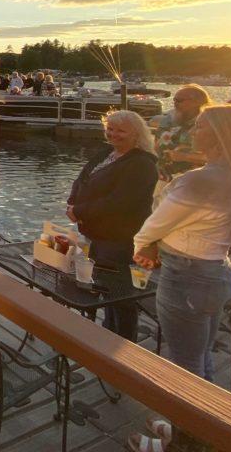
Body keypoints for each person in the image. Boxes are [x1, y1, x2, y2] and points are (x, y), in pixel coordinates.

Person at [128, 104, 231, 451]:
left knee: (184, 369)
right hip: (215, 273)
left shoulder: (199, 179)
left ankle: (186, 443)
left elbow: (154, 224)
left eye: (201, 126)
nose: (193, 132)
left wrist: (144, 247)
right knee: (201, 357)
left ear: (219, 135)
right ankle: (193, 430)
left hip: (186, 279)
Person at [67, 110, 158, 340]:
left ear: (136, 134)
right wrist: (72, 203)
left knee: (120, 294)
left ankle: (125, 342)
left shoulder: (142, 164)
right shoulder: (107, 152)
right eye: (110, 128)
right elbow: (83, 178)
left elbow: (119, 202)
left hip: (119, 237)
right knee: (104, 286)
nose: (113, 134)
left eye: (120, 130)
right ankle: (109, 335)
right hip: (95, 233)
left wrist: (79, 210)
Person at [153, 84, 211, 182]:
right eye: (174, 100)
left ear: (197, 102)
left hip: (195, 180)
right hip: (162, 179)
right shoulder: (167, 120)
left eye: (179, 100)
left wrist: (185, 157)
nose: (175, 103)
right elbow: (156, 146)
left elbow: (218, 159)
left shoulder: (209, 124)